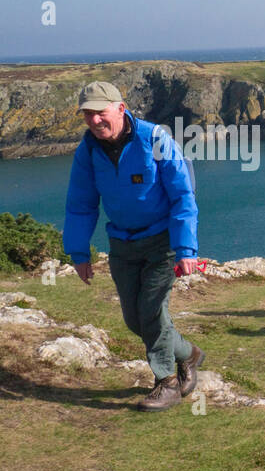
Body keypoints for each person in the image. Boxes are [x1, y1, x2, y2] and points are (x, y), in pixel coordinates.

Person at [62, 81, 203, 411]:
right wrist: (79, 252)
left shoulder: (155, 139)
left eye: (100, 112)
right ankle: (189, 354)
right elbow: (80, 204)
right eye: (88, 115)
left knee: (151, 310)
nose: (95, 121)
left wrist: (186, 250)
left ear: (121, 109)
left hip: (162, 240)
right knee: (134, 319)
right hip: (123, 242)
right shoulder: (87, 151)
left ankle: (166, 382)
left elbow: (183, 196)